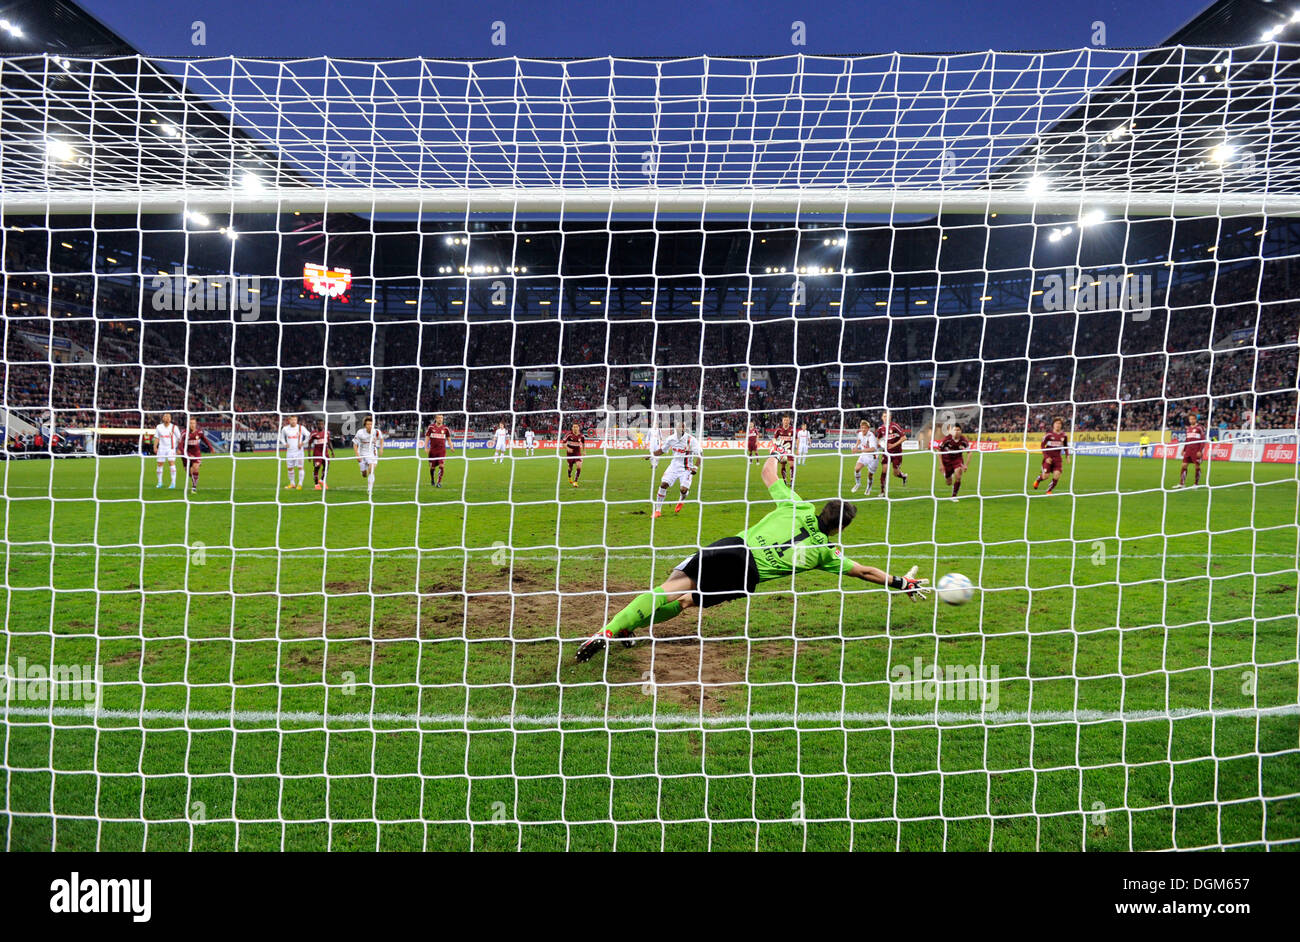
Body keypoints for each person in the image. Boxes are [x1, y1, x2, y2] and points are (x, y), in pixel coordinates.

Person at [575, 451, 931, 662]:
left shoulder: (797, 504)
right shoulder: (826, 553)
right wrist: (902, 582)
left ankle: (607, 629)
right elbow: (865, 572)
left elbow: (767, 471)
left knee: (670, 586)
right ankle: (628, 629)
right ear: (839, 530)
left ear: (823, 509)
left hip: (736, 548)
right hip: (747, 580)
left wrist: (778, 449)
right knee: (684, 602)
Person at [1031, 417, 1070, 494]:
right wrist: (1046, 457)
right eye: (1056, 423)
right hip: (1048, 458)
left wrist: (1067, 456)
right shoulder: (1048, 435)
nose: (1058, 425)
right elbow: (1042, 446)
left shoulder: (1064, 436)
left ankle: (1049, 490)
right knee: (1046, 476)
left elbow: (1066, 446)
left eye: (1059, 424)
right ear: (1053, 425)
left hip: (1058, 459)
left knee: (1057, 474)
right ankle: (1038, 480)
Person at [935, 423, 970, 500]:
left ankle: (954, 496)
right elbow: (938, 450)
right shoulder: (947, 439)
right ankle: (947, 475)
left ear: (961, 431)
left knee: (958, 476)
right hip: (946, 460)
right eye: (955, 430)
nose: (957, 432)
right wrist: (941, 464)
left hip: (958, 459)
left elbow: (970, 452)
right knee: (949, 483)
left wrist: (966, 465)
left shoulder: (964, 440)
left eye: (958, 430)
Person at [153, 413, 181, 489]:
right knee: (159, 464)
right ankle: (159, 482)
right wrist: (155, 446)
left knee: (171, 463)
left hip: (171, 448)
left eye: (169, 417)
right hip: (161, 448)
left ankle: (173, 483)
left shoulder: (174, 427)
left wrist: (179, 448)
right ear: (163, 418)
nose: (167, 418)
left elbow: (179, 439)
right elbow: (157, 437)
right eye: (166, 416)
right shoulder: (159, 427)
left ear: (171, 419)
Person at [850, 419, 879, 494]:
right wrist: (856, 447)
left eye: (865, 428)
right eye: (862, 427)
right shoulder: (860, 433)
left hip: (873, 457)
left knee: (870, 475)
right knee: (857, 469)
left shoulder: (871, 436)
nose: (863, 429)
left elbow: (873, 449)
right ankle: (858, 484)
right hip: (864, 454)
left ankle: (869, 488)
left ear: (868, 429)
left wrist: (859, 451)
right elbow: (859, 440)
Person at [1178, 416, 1207, 488]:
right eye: (1190, 419)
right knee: (1184, 465)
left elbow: (1203, 440)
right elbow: (1187, 440)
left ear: (1196, 419)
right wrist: (1184, 449)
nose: (1191, 420)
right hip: (1188, 450)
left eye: (1193, 419)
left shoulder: (1200, 428)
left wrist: (1200, 451)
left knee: (1197, 466)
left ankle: (1196, 484)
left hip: (1196, 450)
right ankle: (1182, 484)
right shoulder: (1188, 429)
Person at [561, 422, 585, 487]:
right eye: (574, 427)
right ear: (572, 428)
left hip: (577, 452)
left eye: (576, 427)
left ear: (578, 428)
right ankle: (569, 476)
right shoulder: (569, 435)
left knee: (579, 466)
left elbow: (583, 443)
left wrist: (584, 451)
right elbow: (563, 443)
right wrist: (567, 448)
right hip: (570, 453)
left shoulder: (581, 436)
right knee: (570, 467)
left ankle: (575, 481)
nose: (575, 428)